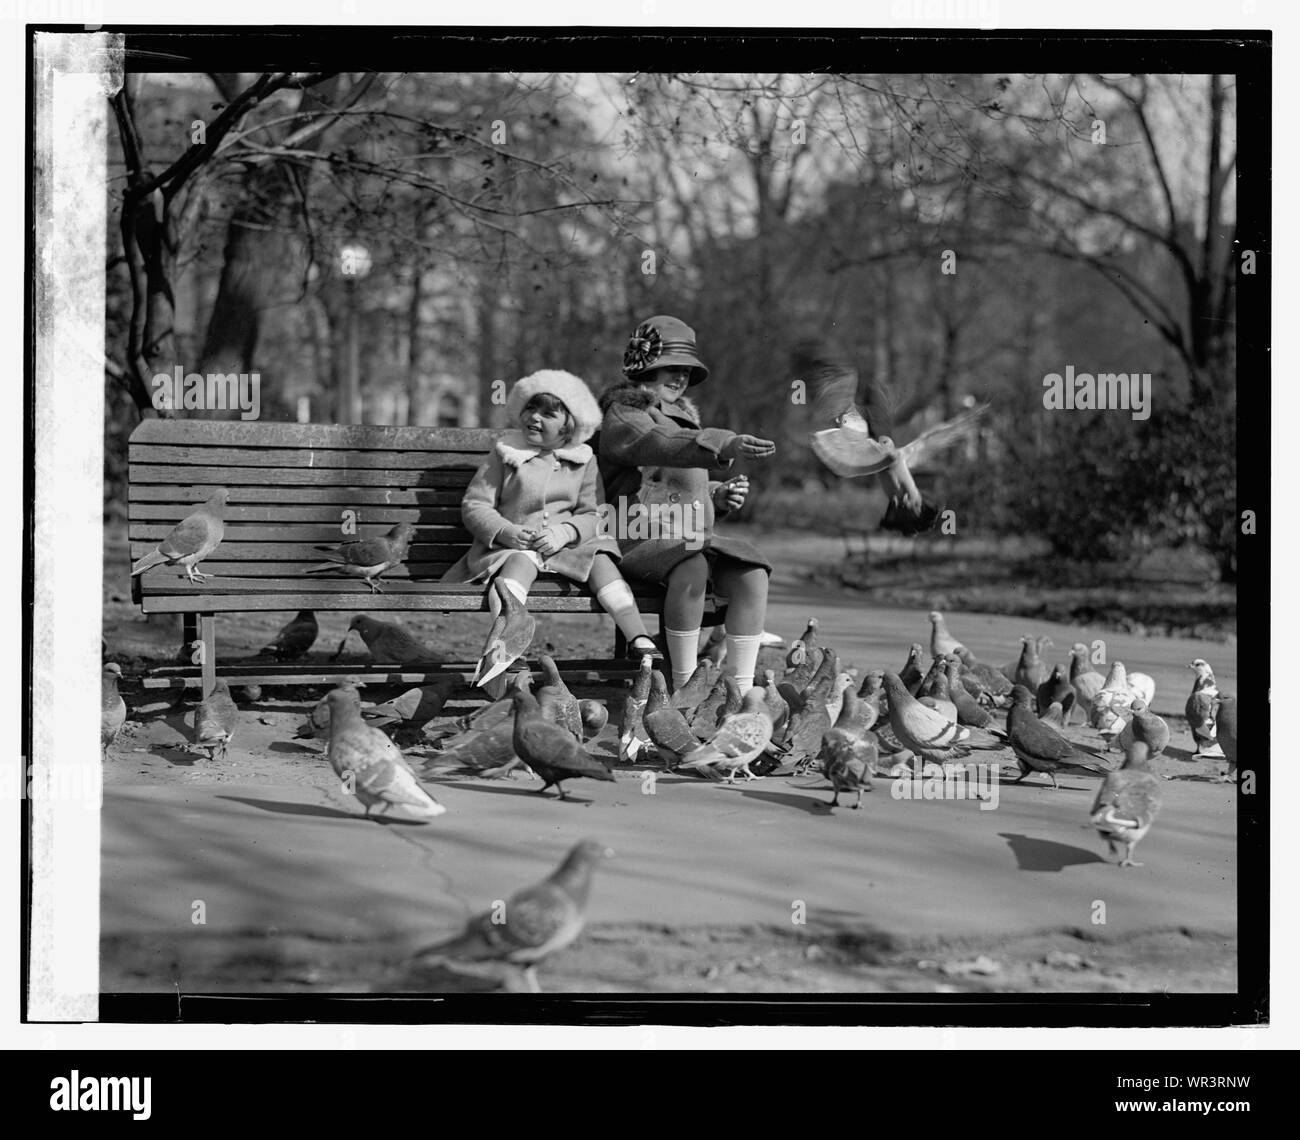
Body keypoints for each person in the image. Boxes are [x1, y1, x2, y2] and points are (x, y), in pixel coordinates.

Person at [443, 369, 661, 685]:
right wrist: (506, 531)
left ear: (568, 425)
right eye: (531, 408)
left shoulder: (584, 459)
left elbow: (594, 513)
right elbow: (476, 505)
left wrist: (565, 532)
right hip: (514, 546)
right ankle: (503, 643)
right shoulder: (506, 452)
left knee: (601, 559)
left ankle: (638, 637)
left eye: (548, 413)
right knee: (516, 568)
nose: (535, 417)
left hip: (566, 548)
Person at [596, 315, 776, 694]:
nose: (679, 378)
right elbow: (659, 444)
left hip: (684, 538)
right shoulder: (625, 415)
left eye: (685, 371)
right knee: (691, 561)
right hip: (633, 535)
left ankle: (738, 691)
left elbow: (674, 486)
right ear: (645, 366)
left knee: (751, 570)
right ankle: (684, 689)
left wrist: (715, 495)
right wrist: (722, 443)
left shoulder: (682, 418)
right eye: (669, 369)